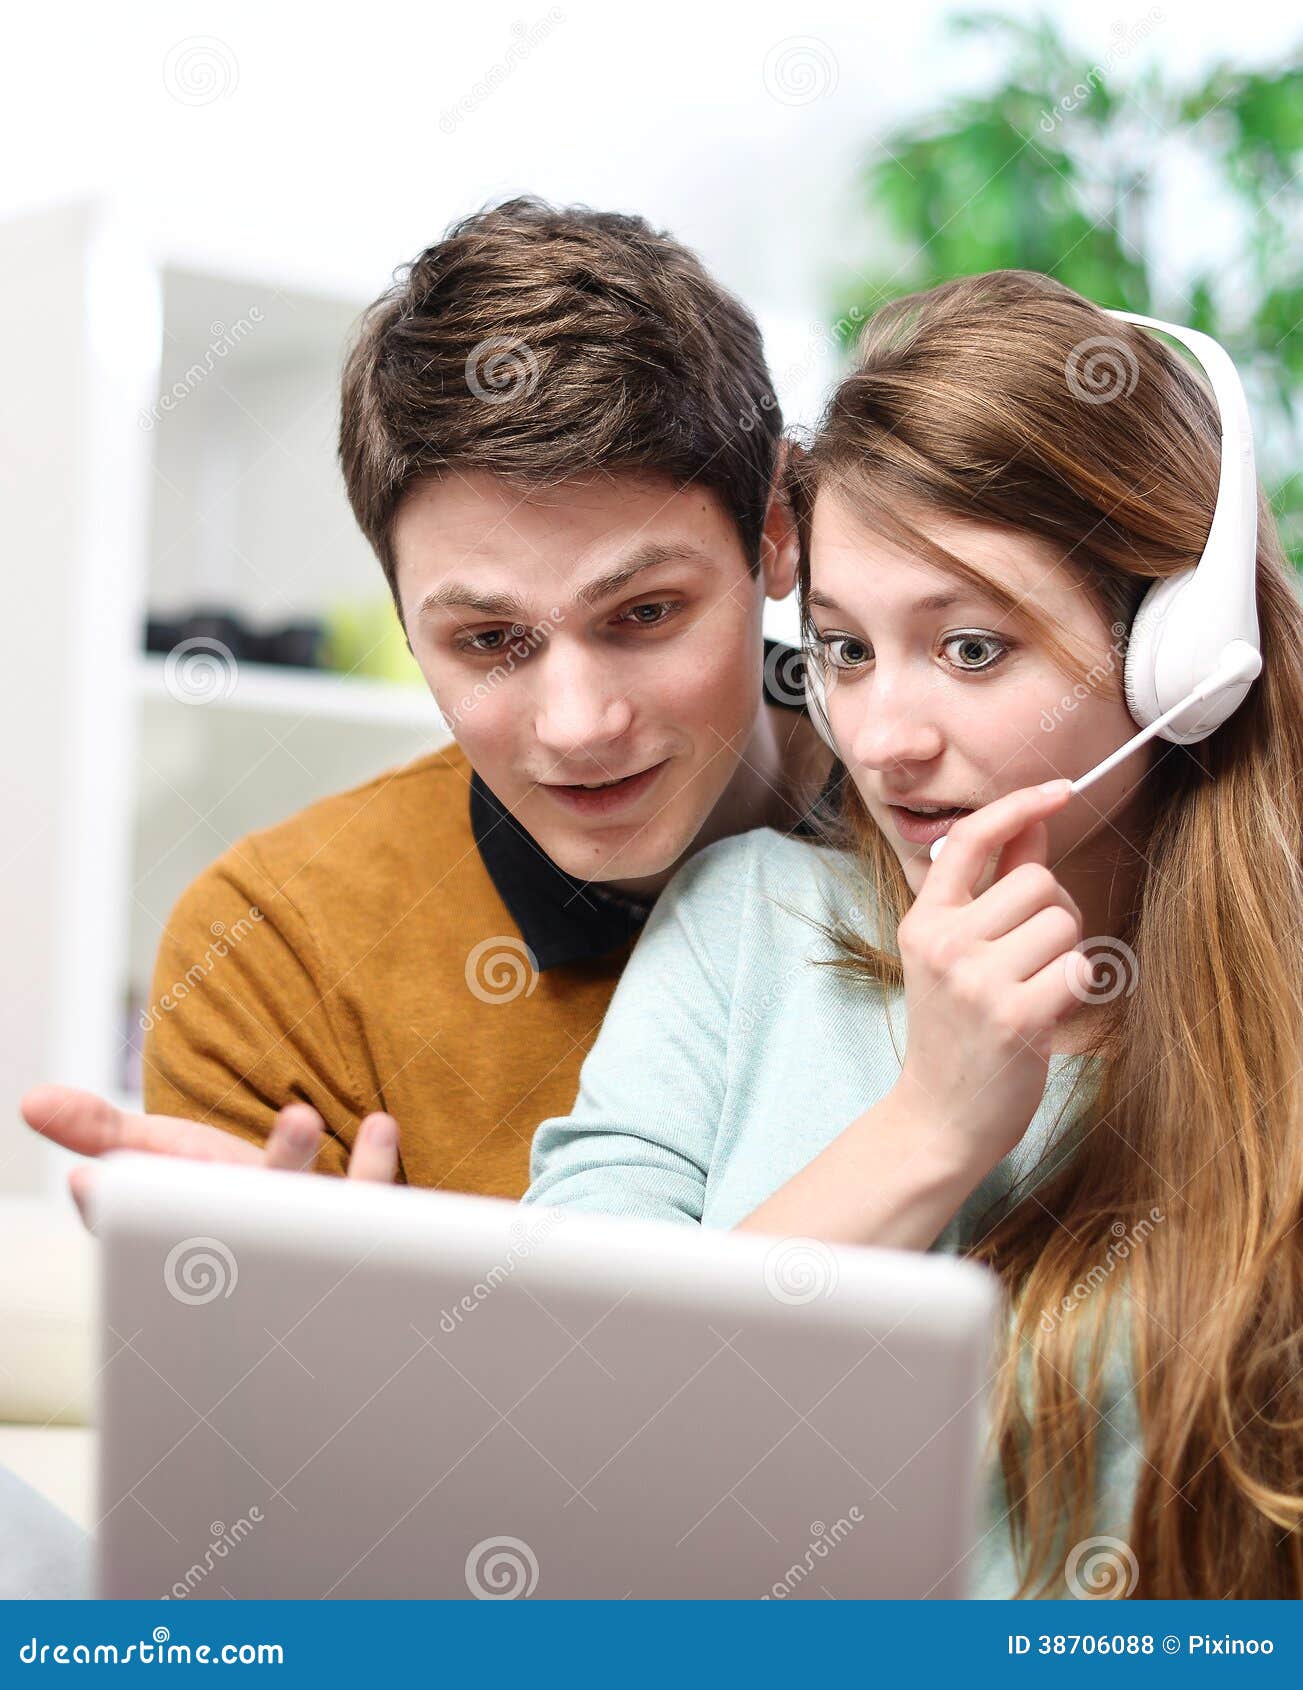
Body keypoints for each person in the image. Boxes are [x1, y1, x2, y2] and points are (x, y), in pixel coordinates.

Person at [519, 271, 1303, 1599]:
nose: (882, 740)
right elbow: (567, 1446)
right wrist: (928, 1127)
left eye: (969, 649)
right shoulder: (744, 927)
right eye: (842, 649)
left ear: (1179, 654)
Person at [22, 197, 830, 1198]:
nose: (579, 726)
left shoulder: (993, 845)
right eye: (490, 641)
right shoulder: (276, 955)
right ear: (402, 617)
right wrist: (302, 1341)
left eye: (644, 613)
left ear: (778, 533)